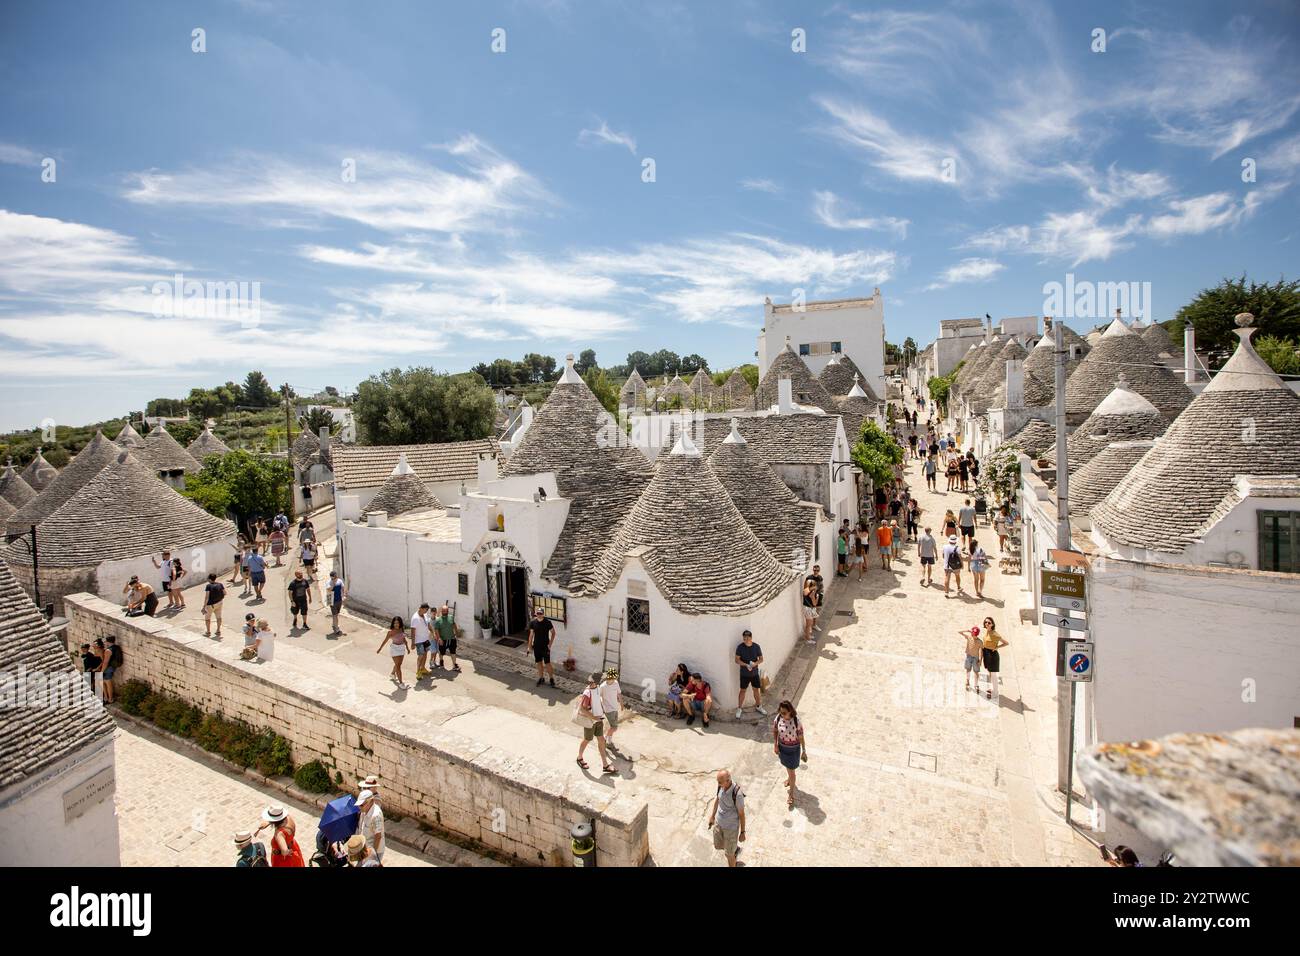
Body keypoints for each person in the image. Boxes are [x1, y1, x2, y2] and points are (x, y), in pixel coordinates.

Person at [575, 672, 614, 773]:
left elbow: (598, 700)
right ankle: (579, 758)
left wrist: (602, 709)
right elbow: (582, 709)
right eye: (600, 679)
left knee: (601, 740)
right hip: (590, 721)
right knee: (587, 739)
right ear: (596, 681)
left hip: (598, 720)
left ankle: (605, 765)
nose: (602, 681)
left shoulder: (597, 688)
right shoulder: (587, 693)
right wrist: (594, 718)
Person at [771, 700, 807, 810]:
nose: (782, 714)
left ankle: (791, 794)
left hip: (793, 750)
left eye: (784, 712)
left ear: (790, 711)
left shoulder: (797, 722)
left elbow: (801, 737)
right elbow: (775, 731)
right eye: (781, 712)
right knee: (787, 766)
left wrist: (804, 750)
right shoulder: (778, 719)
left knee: (792, 771)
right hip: (783, 748)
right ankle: (789, 779)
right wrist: (775, 745)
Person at [708, 770, 746, 867]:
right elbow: (718, 799)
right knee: (718, 845)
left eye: (720, 782)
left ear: (728, 780)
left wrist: (742, 832)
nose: (718, 784)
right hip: (719, 823)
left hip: (730, 828)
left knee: (729, 855)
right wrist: (712, 816)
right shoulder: (721, 786)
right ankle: (734, 850)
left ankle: (732, 857)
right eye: (718, 782)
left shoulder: (737, 794)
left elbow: (742, 814)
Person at [735, 629, 766, 718]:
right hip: (744, 674)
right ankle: (739, 708)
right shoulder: (740, 647)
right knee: (742, 690)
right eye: (744, 637)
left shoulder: (756, 647)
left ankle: (759, 706)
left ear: (751, 637)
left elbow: (761, 659)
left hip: (754, 673)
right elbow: (737, 660)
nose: (746, 639)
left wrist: (754, 664)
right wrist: (746, 665)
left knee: (756, 690)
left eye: (748, 637)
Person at [526, 607, 556, 687]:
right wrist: (529, 646)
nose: (539, 615)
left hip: (545, 646)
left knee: (547, 663)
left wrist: (549, 645)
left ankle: (551, 678)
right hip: (536, 646)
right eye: (538, 613)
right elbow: (531, 635)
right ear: (536, 614)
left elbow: (553, 633)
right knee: (538, 662)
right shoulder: (533, 622)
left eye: (541, 613)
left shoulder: (548, 622)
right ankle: (541, 678)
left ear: (543, 614)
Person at [980, 618, 1009, 700]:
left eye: (989, 622)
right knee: (989, 672)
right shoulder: (987, 632)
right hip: (986, 653)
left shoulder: (995, 634)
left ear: (992, 624)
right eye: (985, 622)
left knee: (993, 675)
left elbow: (1006, 643)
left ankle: (995, 693)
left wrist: (997, 647)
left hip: (992, 655)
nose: (987, 624)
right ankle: (993, 689)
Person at [376, 616, 408, 685]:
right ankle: (401, 683)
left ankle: (393, 674)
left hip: (402, 648)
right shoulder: (390, 632)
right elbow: (385, 641)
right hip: (394, 649)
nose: (396, 624)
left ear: (400, 623)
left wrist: (407, 648)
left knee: (398, 664)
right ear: (393, 623)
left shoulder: (401, 629)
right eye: (395, 623)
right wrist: (380, 648)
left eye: (398, 623)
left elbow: (404, 639)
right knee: (398, 666)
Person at [357, 790, 385, 863]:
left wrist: (372, 854)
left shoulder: (376, 815)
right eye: (359, 805)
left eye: (362, 805)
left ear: (371, 801)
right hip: (365, 848)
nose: (359, 807)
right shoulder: (364, 810)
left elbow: (378, 836)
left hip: (374, 851)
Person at [599, 668, 622, 751]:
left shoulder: (616, 683)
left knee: (614, 726)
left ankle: (608, 741)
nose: (615, 679)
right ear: (609, 677)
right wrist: (602, 705)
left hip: (615, 707)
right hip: (608, 709)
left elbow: (619, 693)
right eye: (613, 678)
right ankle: (605, 739)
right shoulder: (603, 686)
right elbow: (599, 696)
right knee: (614, 727)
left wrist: (621, 704)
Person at [410, 603, 433, 679]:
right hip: (419, 641)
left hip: (426, 639)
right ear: (421, 608)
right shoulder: (415, 618)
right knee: (420, 656)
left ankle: (422, 668)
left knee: (425, 654)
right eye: (426, 610)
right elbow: (413, 631)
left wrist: (433, 632)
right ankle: (418, 672)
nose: (426, 612)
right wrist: (413, 643)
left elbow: (428, 624)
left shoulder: (425, 615)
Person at [433, 603, 458, 671]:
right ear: (441, 611)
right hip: (443, 640)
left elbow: (454, 624)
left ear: (448, 611)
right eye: (443, 611)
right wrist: (439, 638)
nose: (445, 612)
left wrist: (456, 633)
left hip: (452, 638)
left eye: (446, 611)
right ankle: (441, 661)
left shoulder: (451, 617)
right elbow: (436, 630)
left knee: (453, 652)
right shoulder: (438, 620)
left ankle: (454, 665)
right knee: (441, 652)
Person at [961, 624, 983, 691]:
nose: (974, 636)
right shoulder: (969, 637)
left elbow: (981, 651)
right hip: (969, 656)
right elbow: (959, 632)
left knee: (976, 672)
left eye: (976, 634)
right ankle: (967, 681)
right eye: (973, 634)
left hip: (975, 658)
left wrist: (980, 660)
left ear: (978, 634)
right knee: (968, 670)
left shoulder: (980, 642)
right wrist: (967, 630)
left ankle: (976, 684)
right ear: (972, 633)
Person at [202, 573, 225, 637]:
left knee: (207, 619)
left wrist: (204, 606)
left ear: (209, 579)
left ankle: (208, 632)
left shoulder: (208, 586)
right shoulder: (220, 584)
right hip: (219, 603)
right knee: (219, 617)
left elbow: (207, 597)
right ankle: (218, 630)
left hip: (210, 605)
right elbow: (225, 593)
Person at [102, 635, 123, 703]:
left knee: (108, 683)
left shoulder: (108, 650)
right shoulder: (117, 647)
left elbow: (105, 662)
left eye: (105, 642)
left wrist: (102, 671)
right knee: (106, 682)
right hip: (113, 667)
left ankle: (110, 699)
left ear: (108, 642)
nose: (105, 643)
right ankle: (107, 698)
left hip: (108, 668)